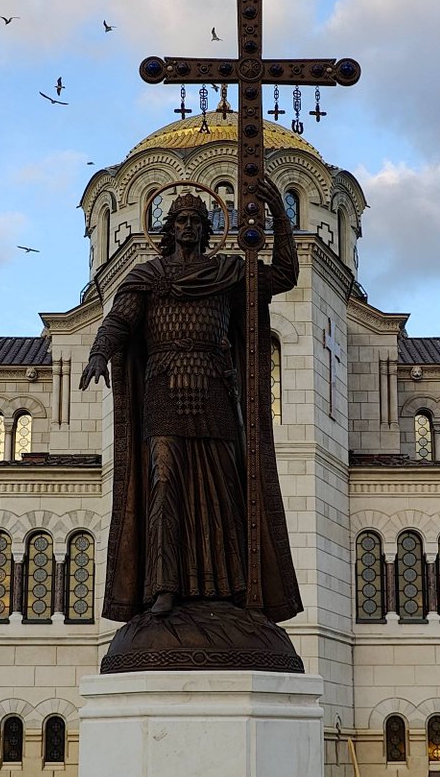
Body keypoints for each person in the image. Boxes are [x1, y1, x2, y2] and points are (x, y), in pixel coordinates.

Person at [78, 180, 301, 628]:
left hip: (214, 388)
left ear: (205, 229)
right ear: (168, 228)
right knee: (164, 483)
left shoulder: (226, 273)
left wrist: (280, 215)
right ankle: (163, 587)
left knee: (222, 487)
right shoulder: (148, 277)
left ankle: (233, 585)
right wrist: (100, 351)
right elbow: (121, 320)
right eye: (179, 220)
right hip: (163, 388)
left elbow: (283, 276)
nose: (187, 227)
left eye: (195, 221)